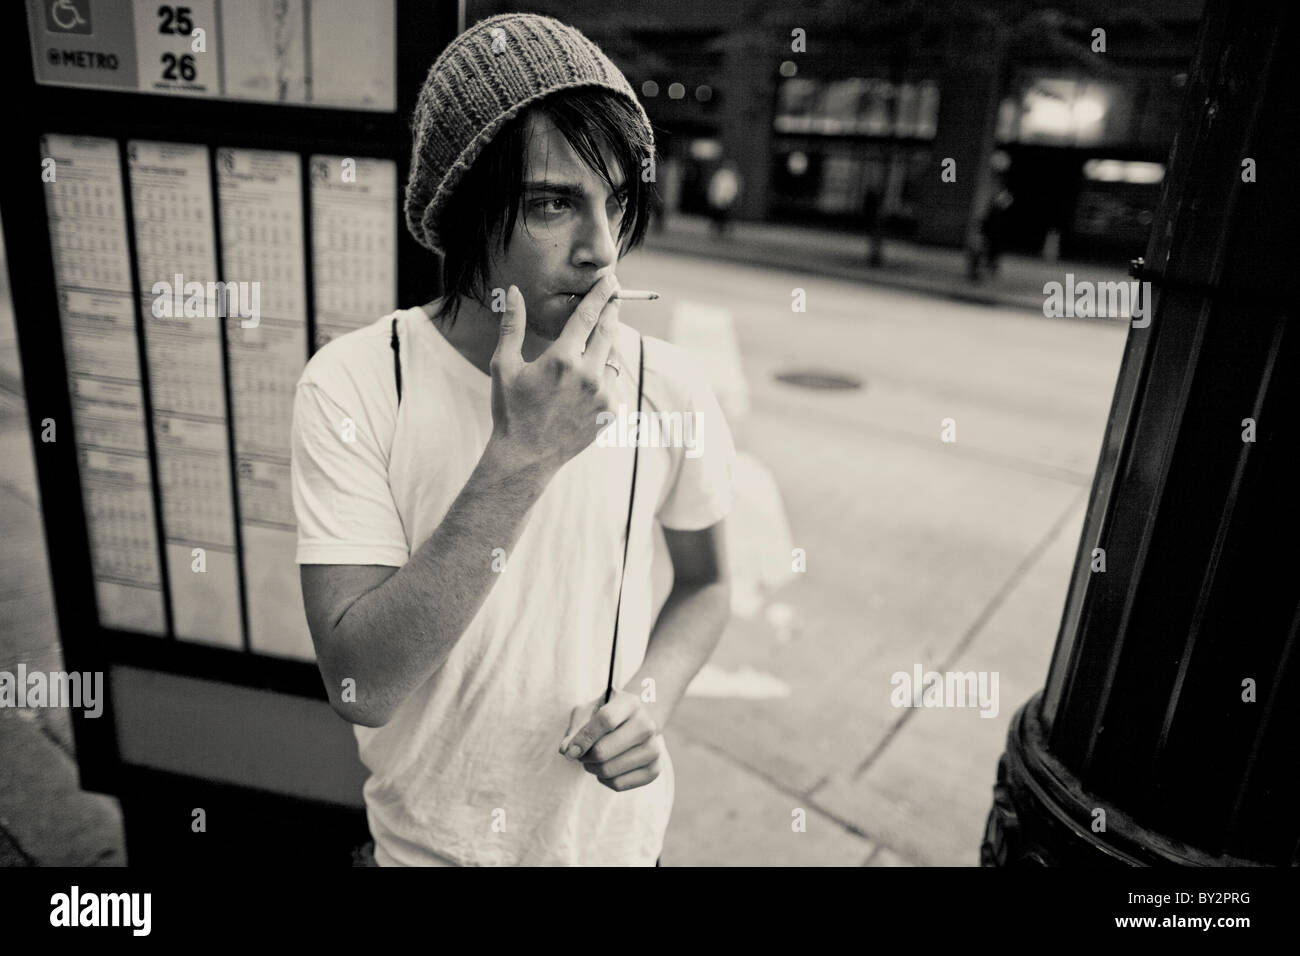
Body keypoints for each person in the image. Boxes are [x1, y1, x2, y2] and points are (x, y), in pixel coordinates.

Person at [290, 12, 736, 867]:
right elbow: (362, 684)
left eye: (616, 204)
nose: (600, 250)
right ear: (464, 210)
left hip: (610, 846)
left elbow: (708, 583)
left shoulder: (666, 383)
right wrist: (524, 454)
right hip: (427, 850)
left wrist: (652, 697)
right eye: (551, 204)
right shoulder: (356, 381)